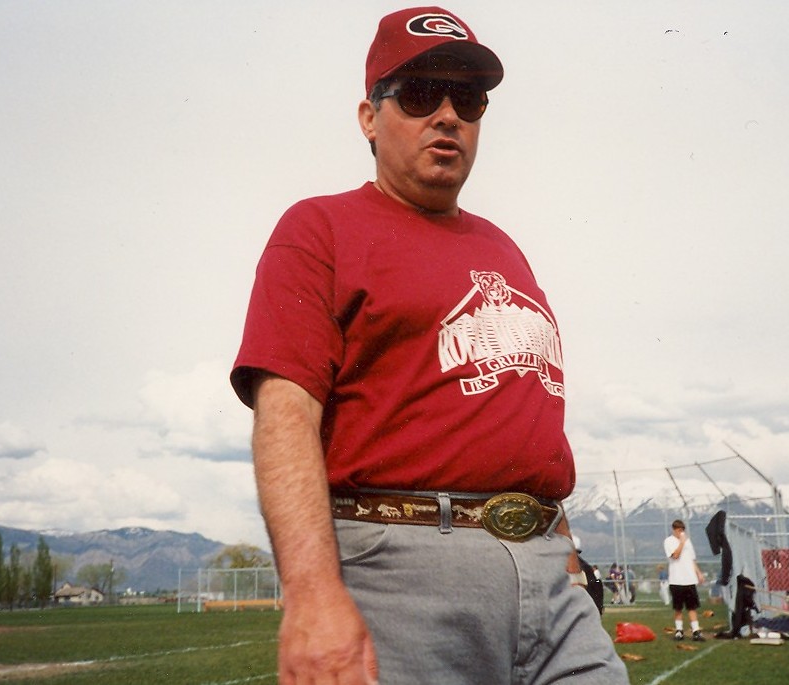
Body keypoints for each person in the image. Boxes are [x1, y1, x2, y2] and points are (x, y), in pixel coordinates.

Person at [229, 7, 629, 684]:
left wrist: (560, 546)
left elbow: (517, 419)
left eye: (467, 99)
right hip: (399, 577)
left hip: (549, 582)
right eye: (418, 95)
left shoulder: (501, 246)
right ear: (367, 117)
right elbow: (285, 415)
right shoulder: (320, 227)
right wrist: (311, 594)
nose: (447, 114)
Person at [663, 519, 706, 641]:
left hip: (689, 579)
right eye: (678, 530)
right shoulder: (668, 541)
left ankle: (696, 631)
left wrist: (699, 573)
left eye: (682, 530)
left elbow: (691, 559)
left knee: (692, 607)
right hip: (676, 580)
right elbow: (675, 556)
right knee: (678, 607)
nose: (680, 533)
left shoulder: (688, 542)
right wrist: (681, 543)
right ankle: (679, 630)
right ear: (674, 530)